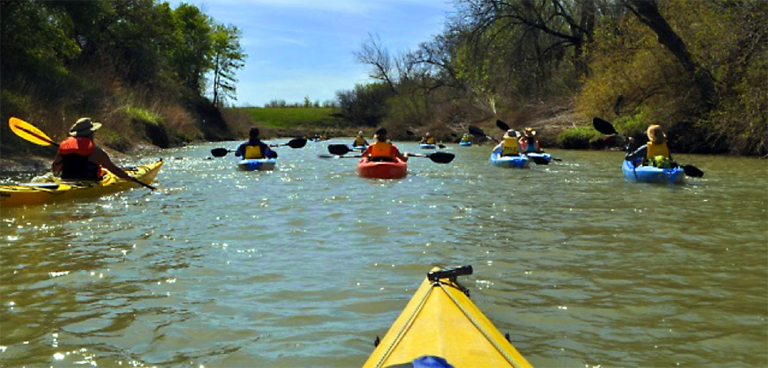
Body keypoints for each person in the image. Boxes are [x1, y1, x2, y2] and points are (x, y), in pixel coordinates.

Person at [52, 117, 135, 182]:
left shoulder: (64, 148)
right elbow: (112, 169)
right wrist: (128, 177)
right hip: (89, 183)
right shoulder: (96, 151)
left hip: (66, 181)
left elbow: (54, 169)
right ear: (91, 133)